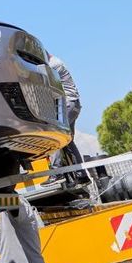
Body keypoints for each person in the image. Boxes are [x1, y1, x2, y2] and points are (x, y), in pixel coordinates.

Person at [48, 54, 86, 183]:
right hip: (74, 104)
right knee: (68, 142)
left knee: (55, 134)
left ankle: (56, 172)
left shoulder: (52, 65)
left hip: (68, 104)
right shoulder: (56, 62)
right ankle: (82, 175)